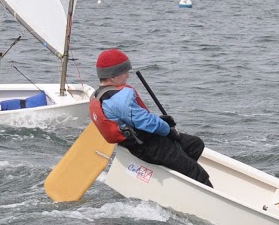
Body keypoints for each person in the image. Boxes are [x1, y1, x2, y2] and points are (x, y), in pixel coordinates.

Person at [88, 49, 212, 187]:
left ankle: (177, 176)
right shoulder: (120, 98)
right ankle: (194, 186)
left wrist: (161, 121)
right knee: (198, 174)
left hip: (139, 142)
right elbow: (145, 122)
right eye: (125, 72)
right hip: (148, 146)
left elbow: (134, 120)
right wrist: (170, 131)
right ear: (113, 77)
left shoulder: (98, 95)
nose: (127, 76)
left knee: (195, 144)